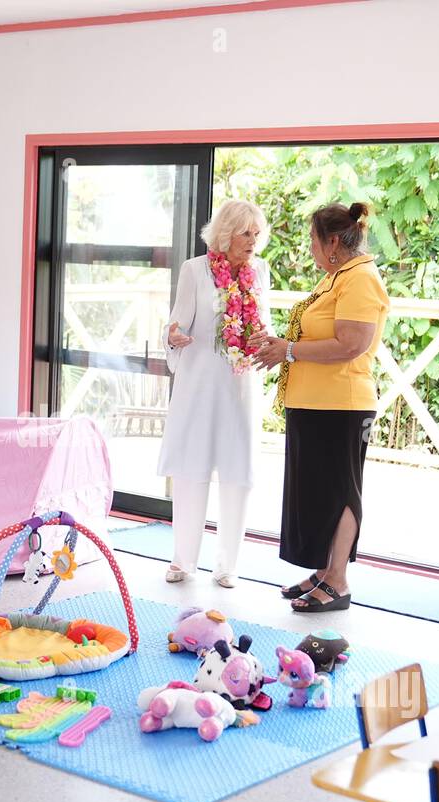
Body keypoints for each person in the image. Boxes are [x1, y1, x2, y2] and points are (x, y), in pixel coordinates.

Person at [249, 201, 390, 612]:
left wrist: (289, 350)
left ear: (332, 242)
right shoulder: (337, 278)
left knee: (341, 492)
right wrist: (282, 346)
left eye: (312, 240)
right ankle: (327, 571)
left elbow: (351, 345)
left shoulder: (360, 279)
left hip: (341, 405)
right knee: (318, 493)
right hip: (313, 403)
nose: (310, 248)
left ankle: (339, 581)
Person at [157, 199, 270, 588]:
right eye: (245, 233)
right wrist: (171, 336)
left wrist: (264, 340)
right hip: (199, 386)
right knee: (191, 470)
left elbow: (264, 323)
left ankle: (227, 565)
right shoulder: (195, 270)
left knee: (238, 474)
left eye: (257, 233)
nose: (253, 240)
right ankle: (183, 560)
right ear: (225, 234)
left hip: (240, 388)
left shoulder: (261, 272)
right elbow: (175, 324)